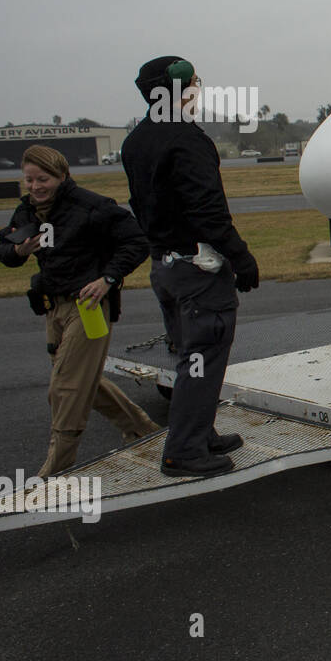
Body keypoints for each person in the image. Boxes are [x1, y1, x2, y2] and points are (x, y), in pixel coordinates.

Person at [122, 56, 260, 478]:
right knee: (202, 358)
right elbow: (208, 211)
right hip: (198, 270)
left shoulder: (136, 140)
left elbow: (140, 205)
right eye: (195, 82)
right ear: (180, 88)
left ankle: (200, 433)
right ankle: (183, 451)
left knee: (190, 357)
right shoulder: (186, 139)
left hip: (165, 268)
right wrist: (240, 257)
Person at [0, 145, 160, 476]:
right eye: (29, 180)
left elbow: (137, 241)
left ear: (61, 176)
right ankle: (143, 430)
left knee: (65, 389)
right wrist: (18, 251)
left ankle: (56, 469)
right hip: (53, 307)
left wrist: (108, 278)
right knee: (84, 381)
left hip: (88, 307)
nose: (35, 186)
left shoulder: (92, 207)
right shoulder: (28, 211)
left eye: (43, 179)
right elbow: (4, 248)